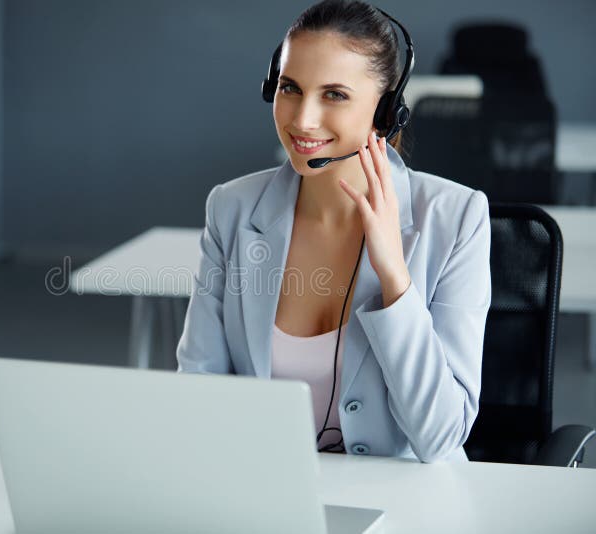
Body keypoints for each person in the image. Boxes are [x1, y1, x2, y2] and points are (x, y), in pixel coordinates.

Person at [176, 0, 491, 463]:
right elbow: (199, 390)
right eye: (290, 88)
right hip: (269, 494)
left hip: (405, 505)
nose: (302, 120)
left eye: (335, 95)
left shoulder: (456, 217)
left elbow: (439, 438)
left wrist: (395, 280)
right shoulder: (232, 209)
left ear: (384, 113)